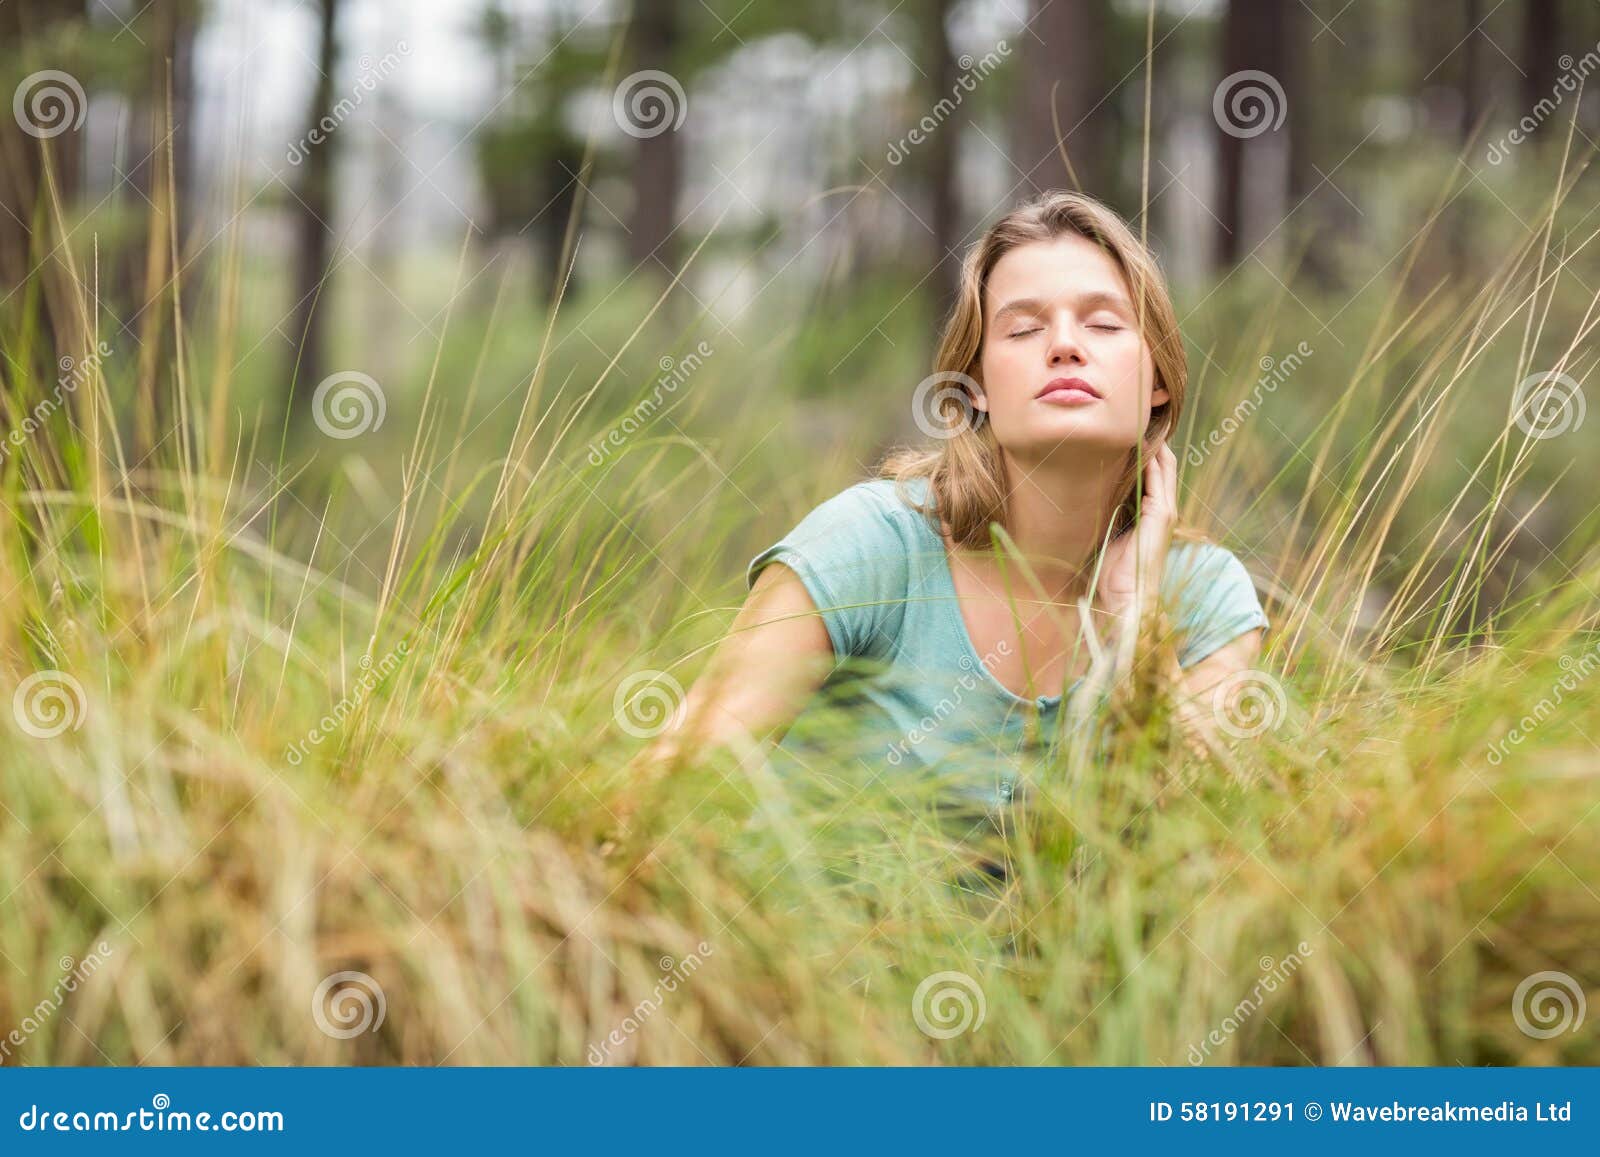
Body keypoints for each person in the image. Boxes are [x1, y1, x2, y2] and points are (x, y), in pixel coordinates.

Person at [623, 190, 1270, 828]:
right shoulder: (872, 544)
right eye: (1023, 328)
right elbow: (675, 784)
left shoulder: (1205, 596)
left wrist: (1136, 617)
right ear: (977, 386)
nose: (1066, 345)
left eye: (1103, 323)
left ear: (1159, 380)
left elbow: (1215, 833)